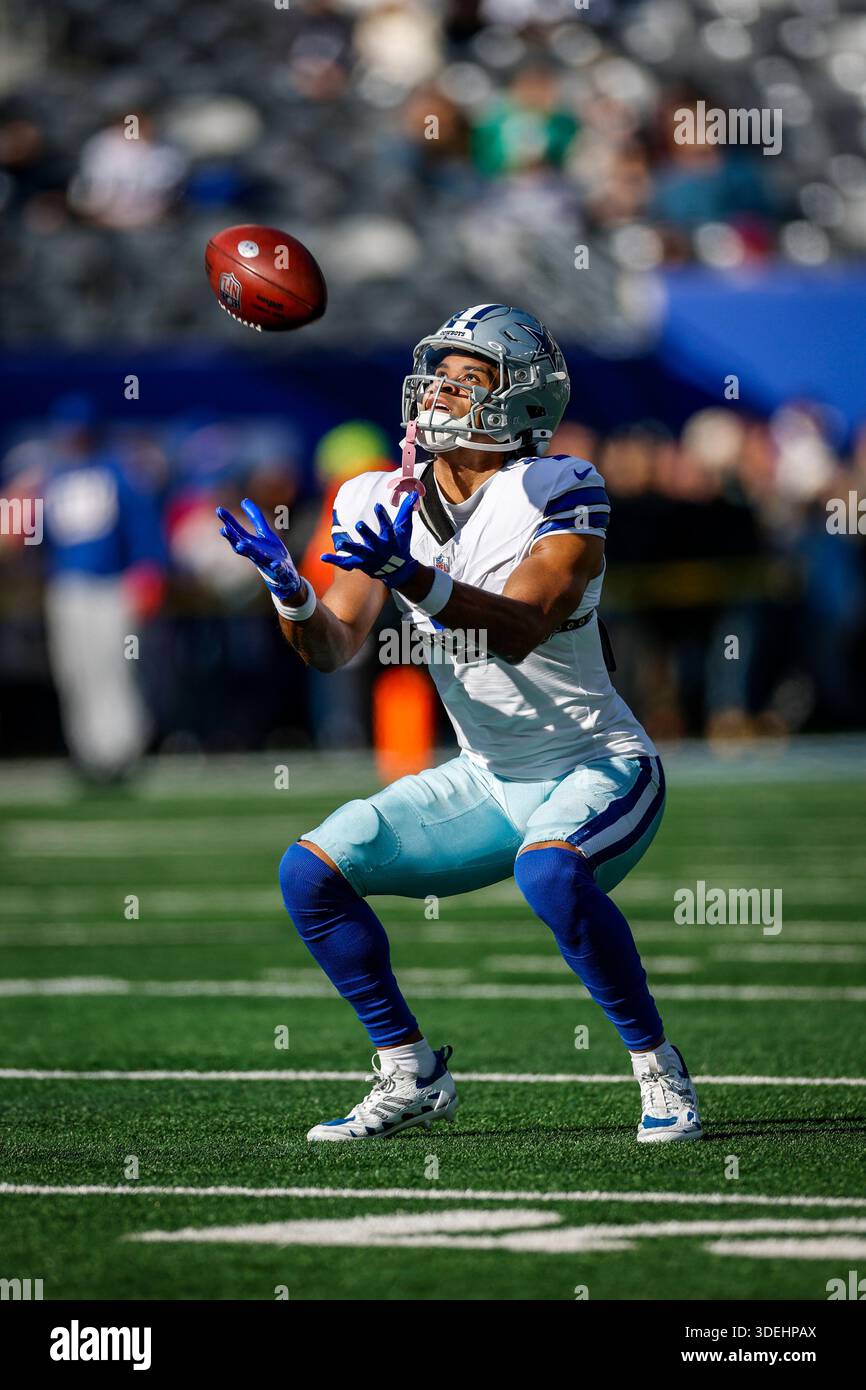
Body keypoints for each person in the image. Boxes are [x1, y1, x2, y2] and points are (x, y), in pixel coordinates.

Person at [217, 305, 701, 1145]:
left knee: (549, 875)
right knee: (310, 873)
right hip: (488, 775)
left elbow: (524, 624)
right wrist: (289, 590)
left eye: (466, 377)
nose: (438, 388)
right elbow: (331, 648)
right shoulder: (377, 492)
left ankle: (658, 1068)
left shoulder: (559, 486)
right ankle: (409, 1071)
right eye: (437, 371)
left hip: (599, 763)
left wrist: (414, 574)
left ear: (523, 403)